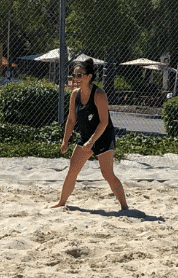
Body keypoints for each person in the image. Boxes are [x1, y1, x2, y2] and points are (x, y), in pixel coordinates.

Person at [52, 57, 128, 210]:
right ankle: (62, 202)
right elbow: (71, 120)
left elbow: (104, 122)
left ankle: (125, 207)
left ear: (89, 77)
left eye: (79, 75)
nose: (76, 78)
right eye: (74, 75)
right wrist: (65, 140)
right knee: (72, 170)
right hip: (85, 137)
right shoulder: (75, 94)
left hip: (102, 137)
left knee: (107, 174)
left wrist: (92, 141)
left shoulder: (99, 94)